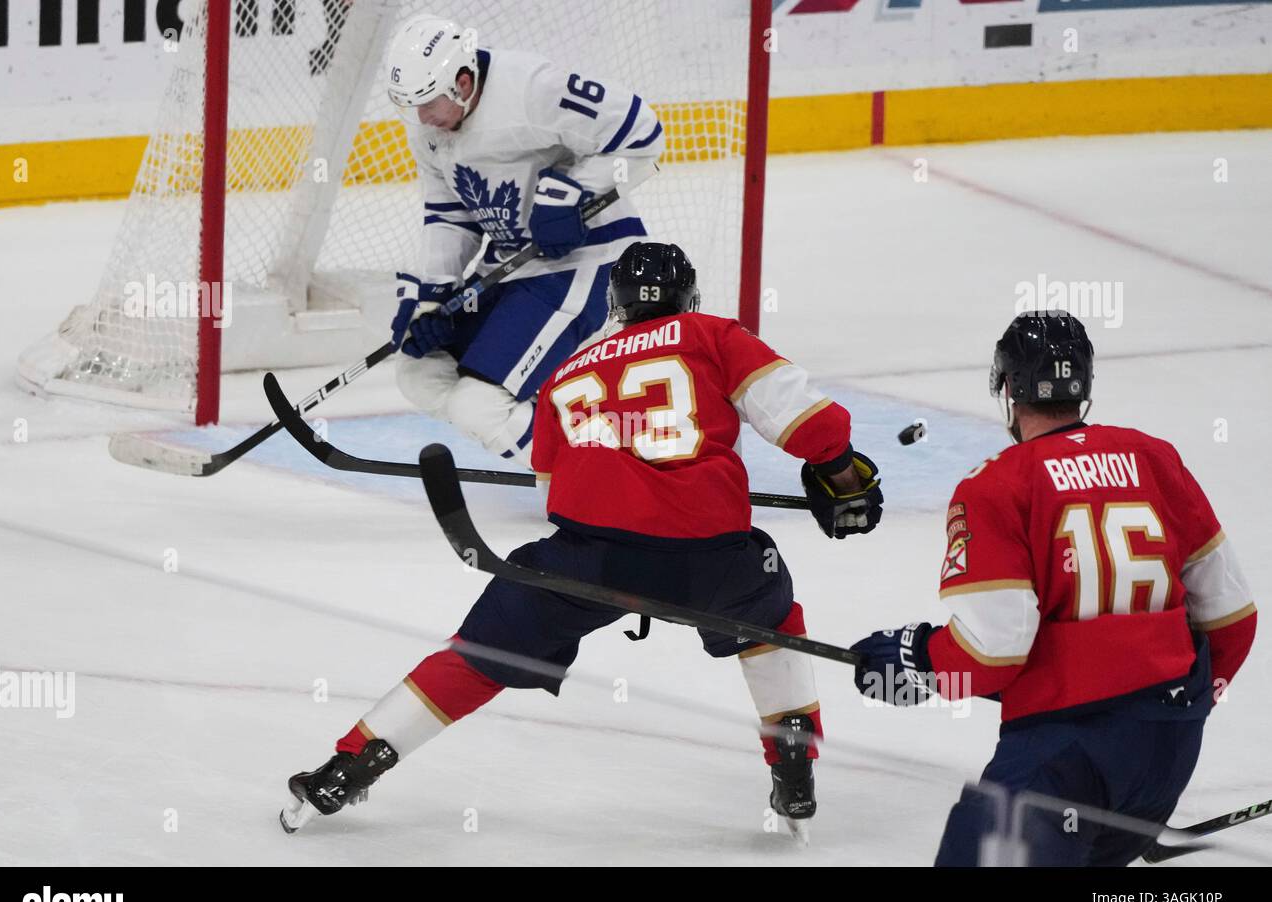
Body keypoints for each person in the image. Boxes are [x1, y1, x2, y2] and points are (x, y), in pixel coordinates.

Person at [281, 242, 884, 838]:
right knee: (772, 617)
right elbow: (814, 423)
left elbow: (551, 484)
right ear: (688, 296)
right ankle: (793, 764)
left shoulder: (568, 371)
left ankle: (350, 764)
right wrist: (842, 479)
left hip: (586, 563)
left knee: (480, 653)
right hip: (712, 558)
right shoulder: (713, 334)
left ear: (615, 303)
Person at [850, 311, 1258, 866]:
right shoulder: (1153, 456)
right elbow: (1233, 615)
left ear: (1009, 390)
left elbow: (994, 650)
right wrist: (1177, 713)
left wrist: (920, 659)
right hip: (1170, 748)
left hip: (1065, 759)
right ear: (1082, 387)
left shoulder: (995, 485)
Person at [383, 15, 665, 468]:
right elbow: (450, 215)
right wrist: (431, 295)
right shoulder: (430, 128)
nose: (422, 118)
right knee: (420, 372)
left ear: (462, 81)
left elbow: (642, 132)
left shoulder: (533, 88)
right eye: (412, 106)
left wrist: (574, 192)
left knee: (478, 405)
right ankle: (566, 439)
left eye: (429, 102)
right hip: (512, 267)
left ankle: (596, 485)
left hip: (585, 260)